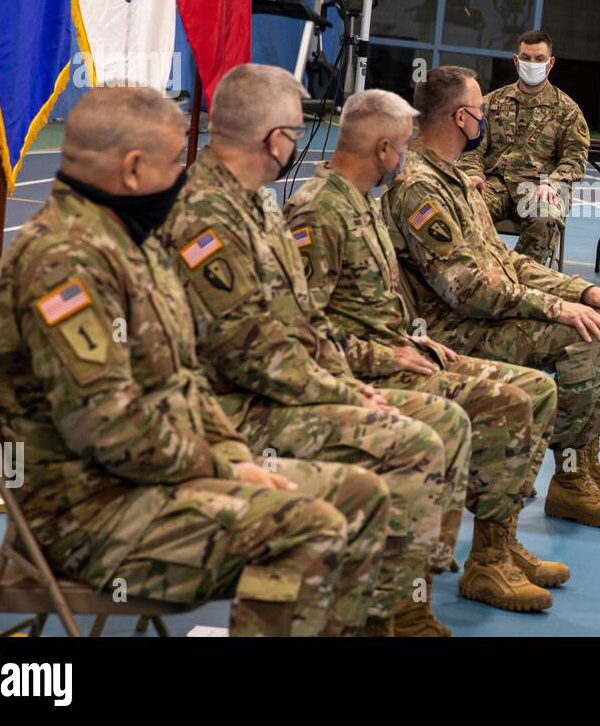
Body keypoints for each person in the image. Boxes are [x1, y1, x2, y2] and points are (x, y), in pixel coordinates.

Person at [0, 86, 390, 636]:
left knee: (363, 494)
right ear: (132, 170)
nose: (183, 175)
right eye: (175, 161)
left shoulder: (129, 239)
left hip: (155, 480)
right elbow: (108, 427)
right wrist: (225, 470)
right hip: (92, 513)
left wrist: (233, 453)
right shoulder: (65, 262)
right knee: (307, 527)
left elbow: (183, 380)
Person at [160, 64, 466, 637]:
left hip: (271, 395)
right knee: (414, 444)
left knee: (431, 423)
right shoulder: (207, 216)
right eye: (297, 132)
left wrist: (349, 387)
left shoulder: (253, 206)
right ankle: (380, 616)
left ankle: (389, 608)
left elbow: (302, 325)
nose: (299, 144)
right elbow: (248, 355)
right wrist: (343, 391)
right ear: (275, 140)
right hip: (228, 412)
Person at [285, 88, 568, 612]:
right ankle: (418, 593)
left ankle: (494, 550)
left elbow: (365, 307)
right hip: (357, 375)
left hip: (397, 350)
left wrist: (410, 341)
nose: (411, 154)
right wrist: (385, 356)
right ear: (386, 149)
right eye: (406, 144)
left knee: (536, 389)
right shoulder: (319, 213)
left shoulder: (359, 203)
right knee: (501, 402)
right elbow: (301, 332)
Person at [384, 65, 600, 531]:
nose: (484, 118)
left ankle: (580, 467)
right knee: (582, 339)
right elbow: (467, 289)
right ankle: (566, 485)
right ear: (460, 117)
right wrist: (553, 307)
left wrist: (580, 289)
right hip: (448, 327)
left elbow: (507, 264)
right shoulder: (420, 187)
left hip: (482, 313)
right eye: (480, 111)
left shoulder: (456, 180)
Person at [456, 30, 590, 265]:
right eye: (526, 58)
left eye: (539, 59)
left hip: (540, 187)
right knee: (462, 205)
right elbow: (471, 148)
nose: (532, 64)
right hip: (494, 183)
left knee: (545, 216)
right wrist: (473, 174)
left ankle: (523, 279)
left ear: (551, 63)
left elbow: (575, 158)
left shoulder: (567, 110)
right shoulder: (490, 103)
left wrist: (554, 183)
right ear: (516, 60)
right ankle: (477, 272)